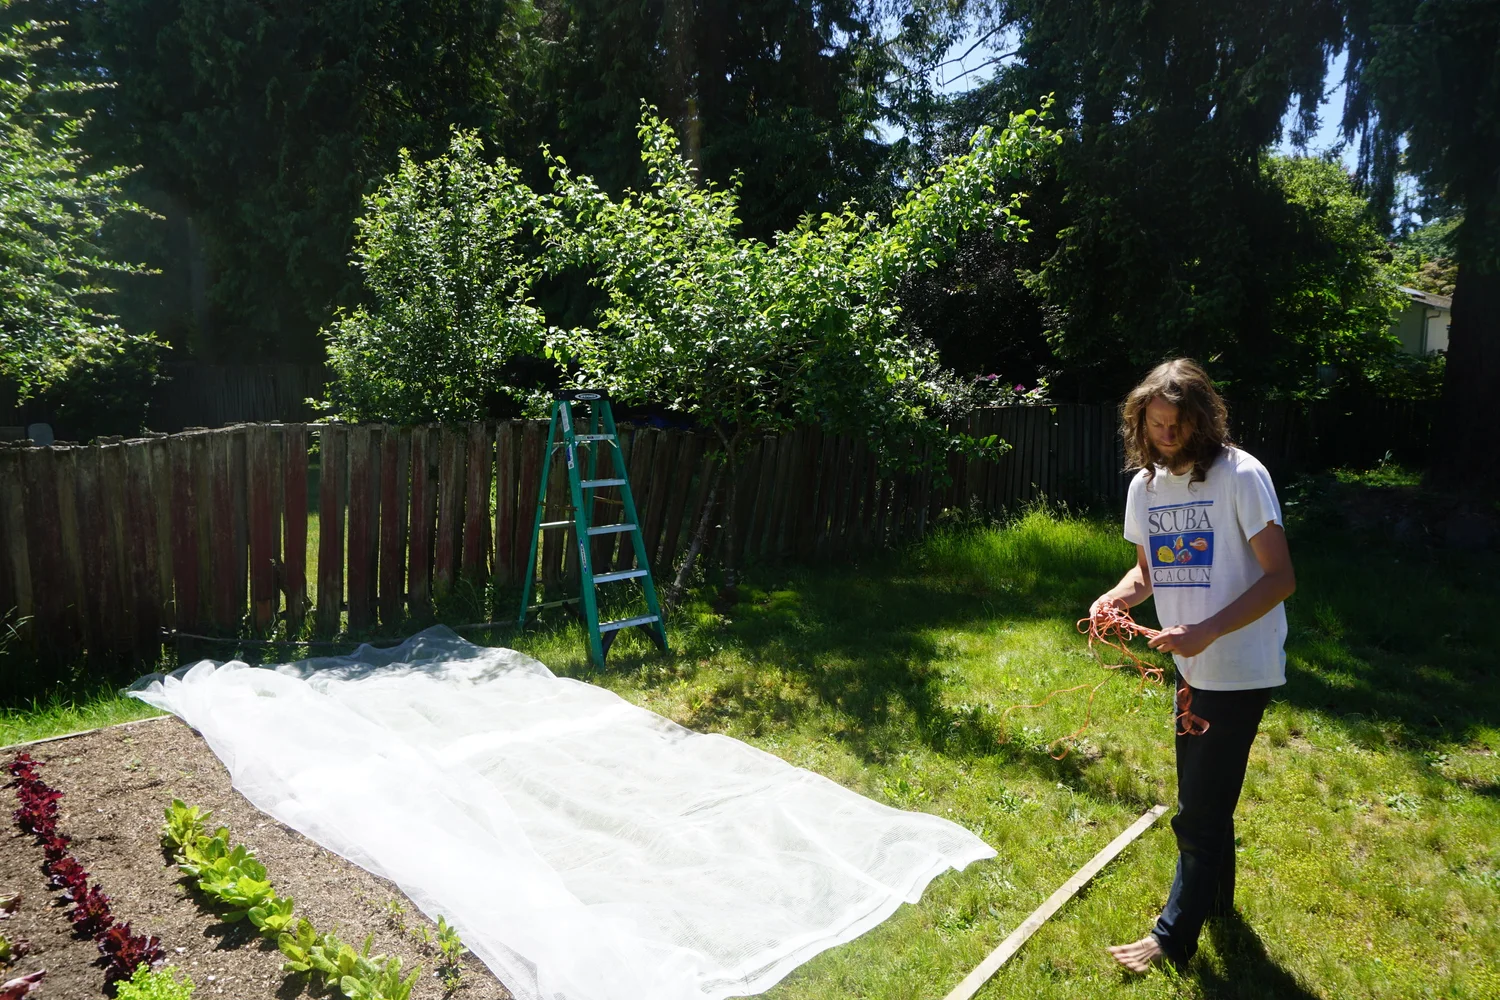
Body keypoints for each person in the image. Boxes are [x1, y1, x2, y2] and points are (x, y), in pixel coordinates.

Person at [1093, 358, 1296, 972]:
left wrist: (1206, 629)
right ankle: (1217, 906)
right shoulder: (1146, 487)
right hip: (1192, 668)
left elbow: (1280, 577)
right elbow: (1149, 570)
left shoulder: (1241, 476)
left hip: (1239, 666)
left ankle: (1173, 936)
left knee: (1198, 810)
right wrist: (1118, 598)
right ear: (1140, 422)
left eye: (1177, 425)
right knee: (1206, 797)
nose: (1166, 436)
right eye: (1155, 424)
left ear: (1202, 419)